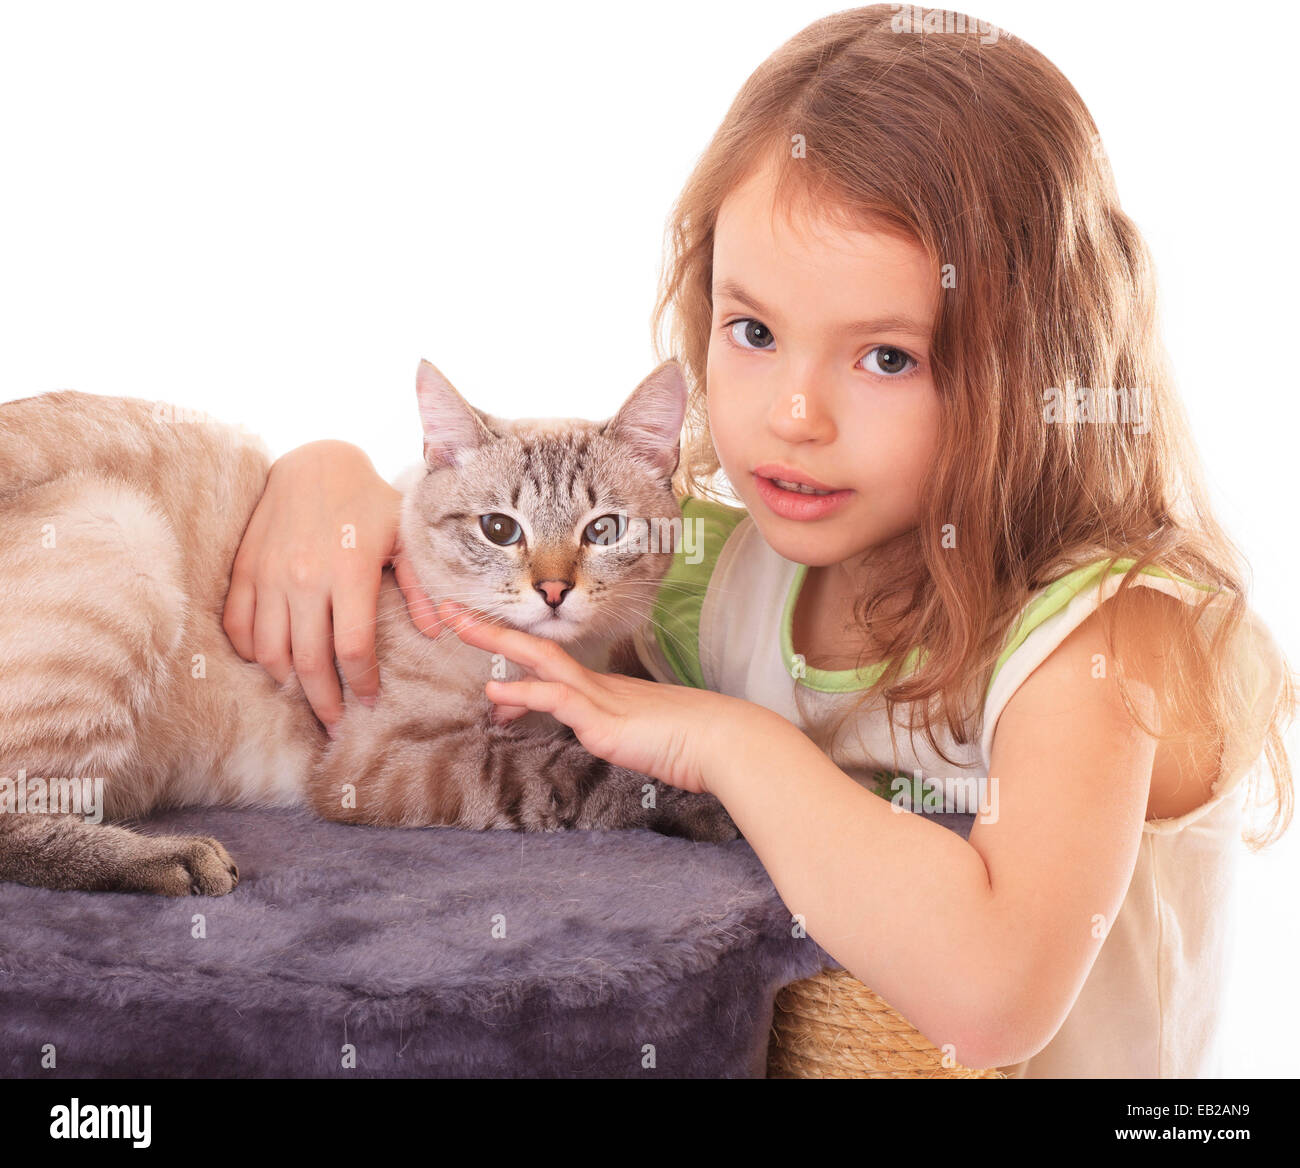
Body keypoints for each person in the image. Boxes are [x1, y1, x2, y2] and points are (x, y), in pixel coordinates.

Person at [220, 6, 1294, 1076]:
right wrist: (332, 473)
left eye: (884, 357)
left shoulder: (1104, 631)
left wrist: (728, 743)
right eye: (752, 331)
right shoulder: (711, 579)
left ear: (1034, 372)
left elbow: (991, 998)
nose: (793, 413)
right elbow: (524, 513)